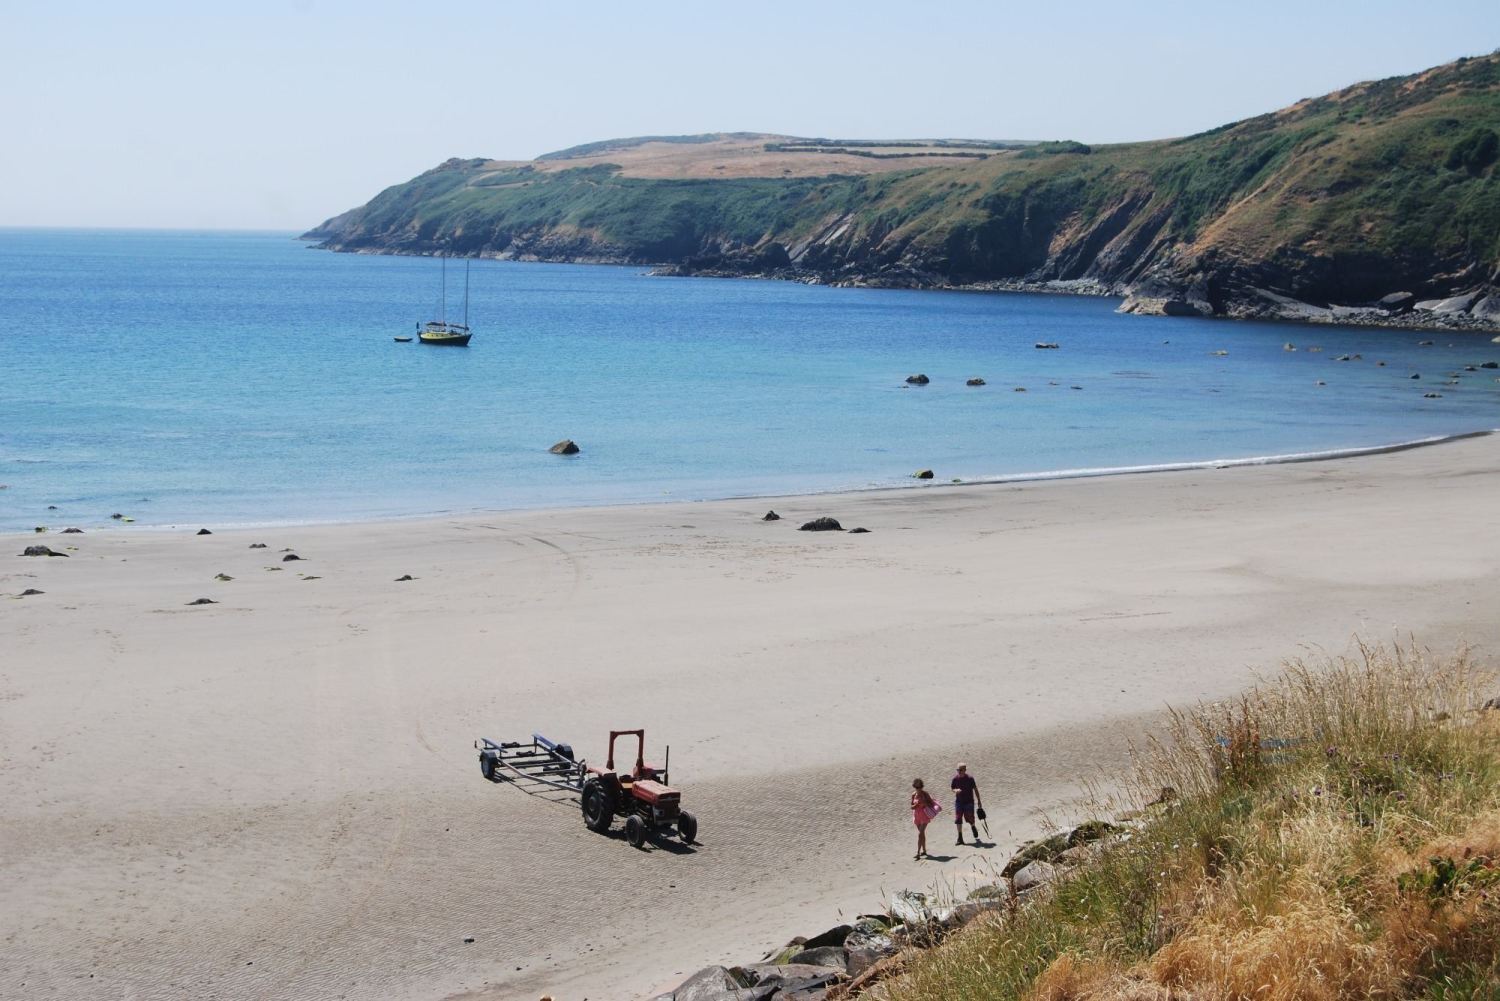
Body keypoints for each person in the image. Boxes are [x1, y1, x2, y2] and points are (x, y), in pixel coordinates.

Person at [951, 762, 983, 845]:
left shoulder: (970, 778)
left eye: (960, 770)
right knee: (958, 819)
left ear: (965, 770)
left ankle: (973, 826)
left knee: (970, 818)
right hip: (959, 802)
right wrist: (955, 790)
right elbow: (952, 788)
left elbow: (975, 789)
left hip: (969, 802)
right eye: (957, 770)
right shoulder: (955, 779)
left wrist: (979, 800)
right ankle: (960, 838)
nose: (958, 771)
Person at [910, 779, 940, 860]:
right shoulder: (913, 795)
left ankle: (918, 853)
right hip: (917, 816)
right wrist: (915, 805)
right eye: (916, 787)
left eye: (919, 787)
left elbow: (931, 803)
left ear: (922, 787)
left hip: (924, 816)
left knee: (920, 833)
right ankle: (924, 850)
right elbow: (911, 807)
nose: (918, 789)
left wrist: (924, 803)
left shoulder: (925, 794)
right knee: (922, 834)